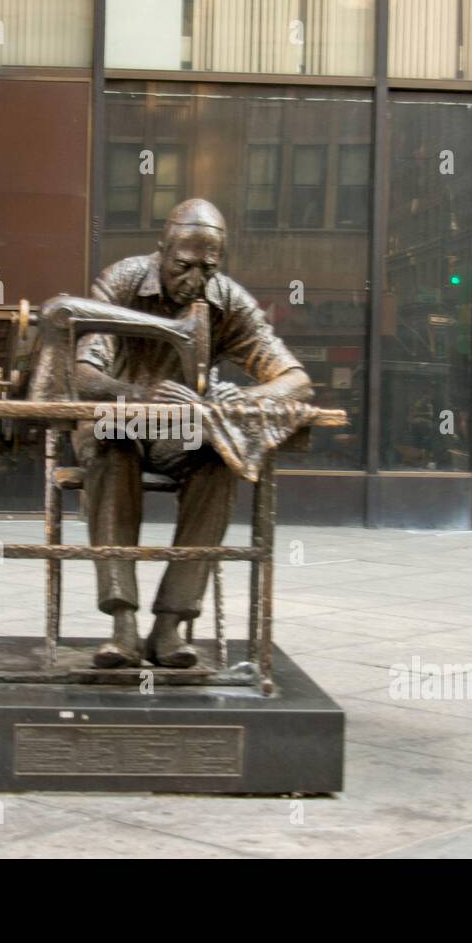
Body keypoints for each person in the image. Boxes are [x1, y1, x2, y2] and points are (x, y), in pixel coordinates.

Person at [57, 199, 312, 669]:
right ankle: (123, 622)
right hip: (120, 419)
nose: (195, 280)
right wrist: (140, 396)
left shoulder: (226, 300)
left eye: (207, 268)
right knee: (114, 452)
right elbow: (86, 377)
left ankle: (171, 623)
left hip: (179, 433)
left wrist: (254, 397)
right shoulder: (121, 281)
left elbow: (295, 378)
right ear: (162, 249)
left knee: (219, 462)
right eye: (183, 266)